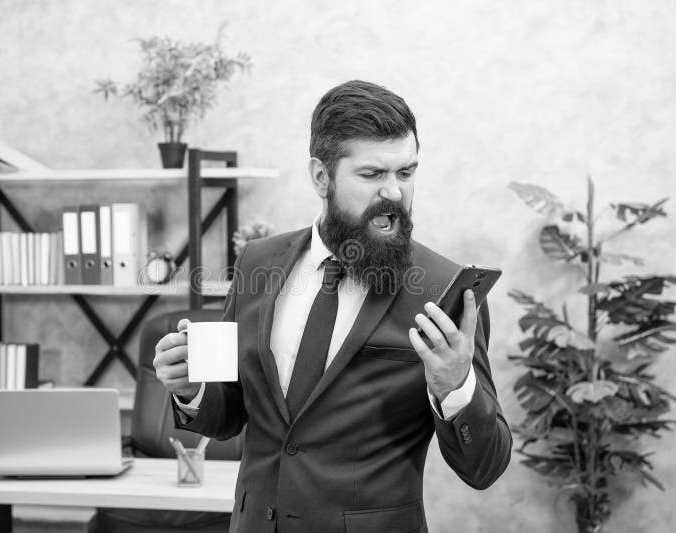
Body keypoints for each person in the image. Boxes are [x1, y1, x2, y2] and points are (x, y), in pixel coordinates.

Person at [153, 80, 512, 533]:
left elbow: (486, 467)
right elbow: (229, 414)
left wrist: (455, 386)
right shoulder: (256, 262)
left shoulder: (445, 291)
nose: (395, 194)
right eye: (372, 175)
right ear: (321, 176)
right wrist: (191, 389)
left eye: (405, 172)